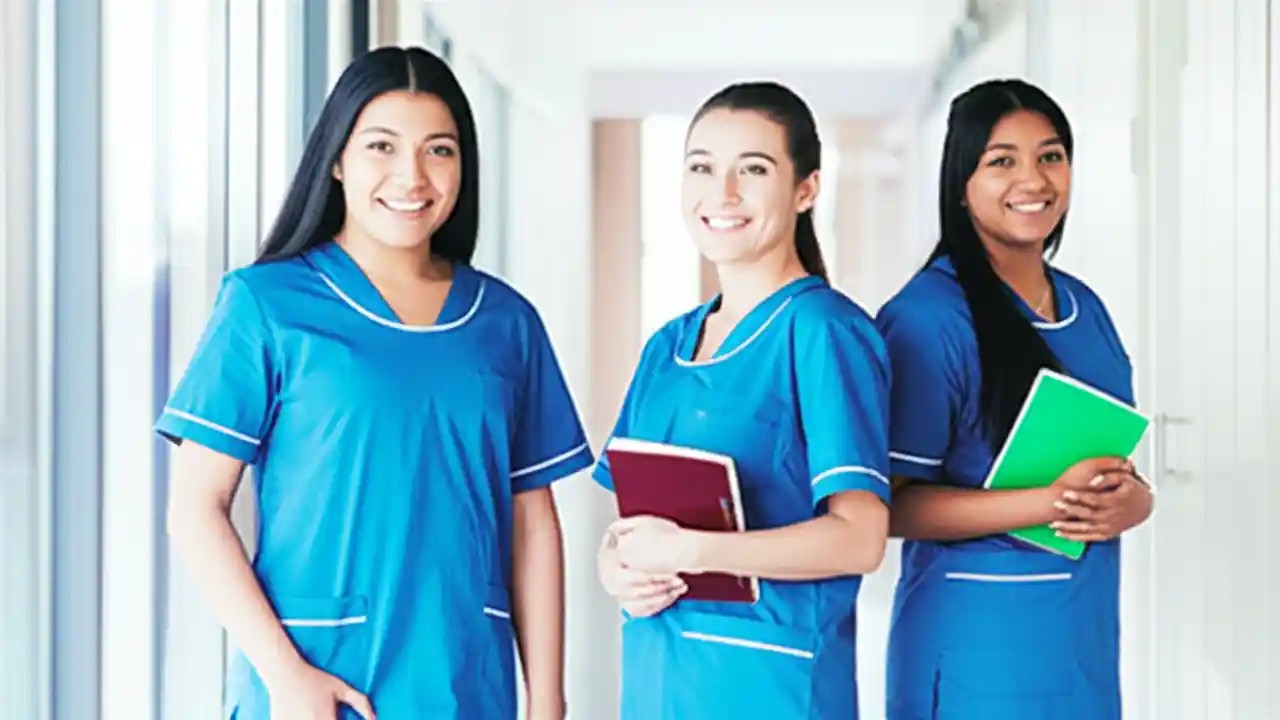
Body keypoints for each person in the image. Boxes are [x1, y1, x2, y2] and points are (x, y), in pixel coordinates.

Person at [157, 47, 591, 720]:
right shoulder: (265, 305)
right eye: (381, 146)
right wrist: (286, 674)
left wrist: (549, 701)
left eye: (438, 151)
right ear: (336, 159)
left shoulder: (506, 323)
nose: (411, 176)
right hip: (316, 685)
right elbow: (194, 510)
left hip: (464, 684)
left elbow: (533, 521)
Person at [592, 81, 892, 720]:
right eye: (701, 167)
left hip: (768, 687)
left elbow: (860, 539)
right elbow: (632, 523)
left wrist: (695, 552)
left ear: (806, 189)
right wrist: (615, 567)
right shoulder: (667, 346)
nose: (721, 193)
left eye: (752, 170)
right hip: (658, 680)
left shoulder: (821, 332)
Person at [877, 78, 1154, 720]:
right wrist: (1051, 502)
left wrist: (1136, 499)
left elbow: (1107, 457)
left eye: (1050, 156)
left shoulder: (1089, 310)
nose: (1033, 179)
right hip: (977, 647)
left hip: (1079, 637)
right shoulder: (928, 319)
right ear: (961, 182)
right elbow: (889, 506)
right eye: (1002, 160)